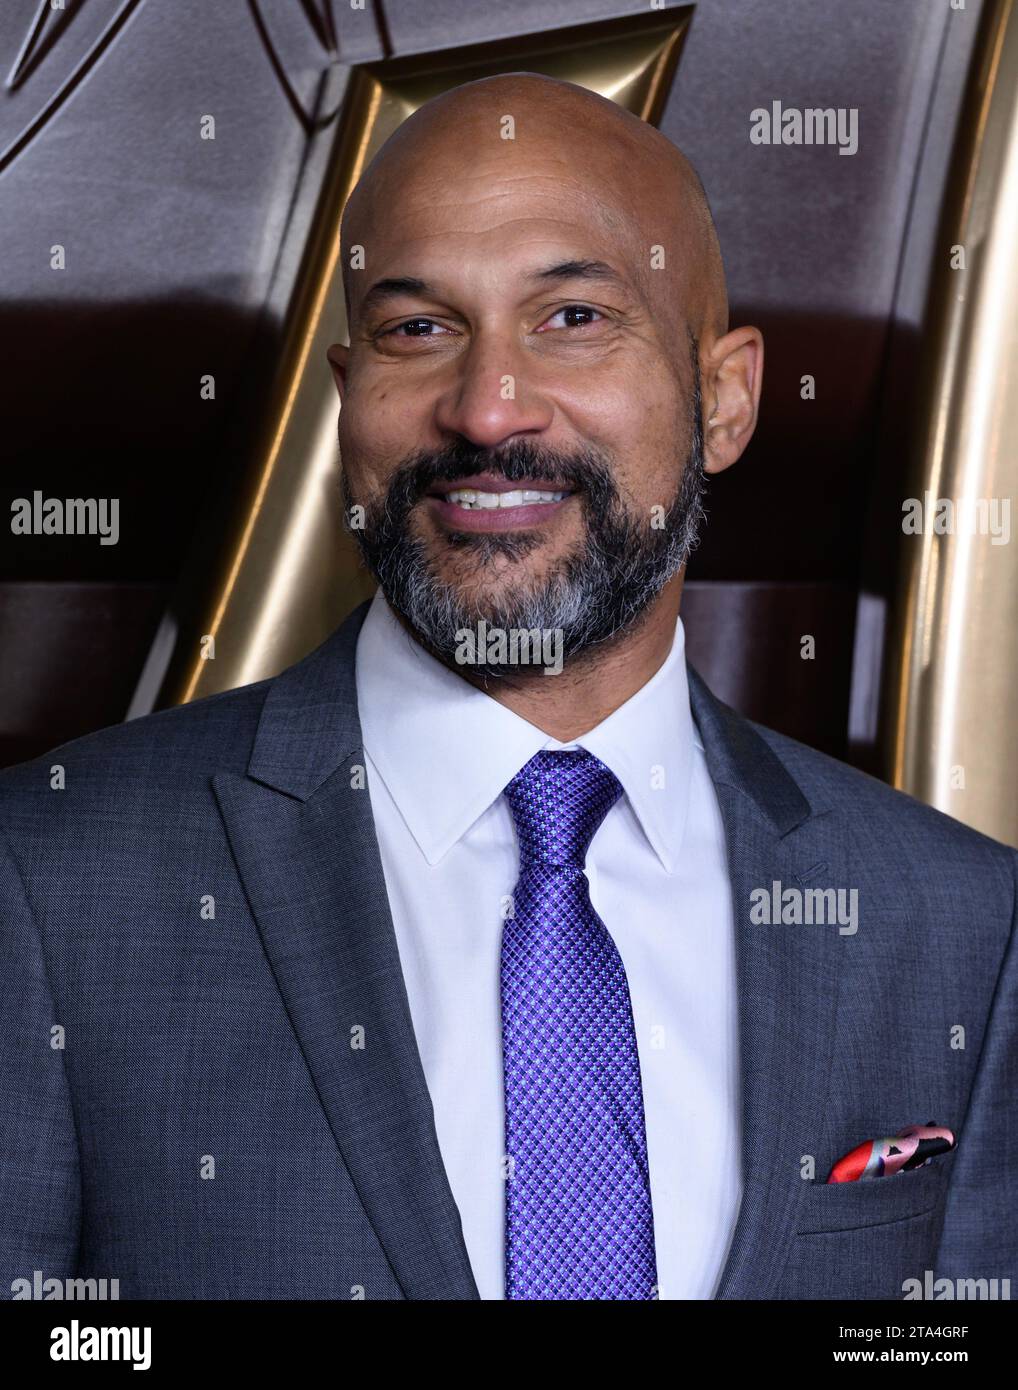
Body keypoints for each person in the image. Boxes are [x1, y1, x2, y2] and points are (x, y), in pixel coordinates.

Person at [1, 74, 1015, 1302]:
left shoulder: (957, 921)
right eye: (416, 329)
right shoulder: (48, 879)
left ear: (727, 396)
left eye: (574, 316)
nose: (487, 408)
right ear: (346, 396)